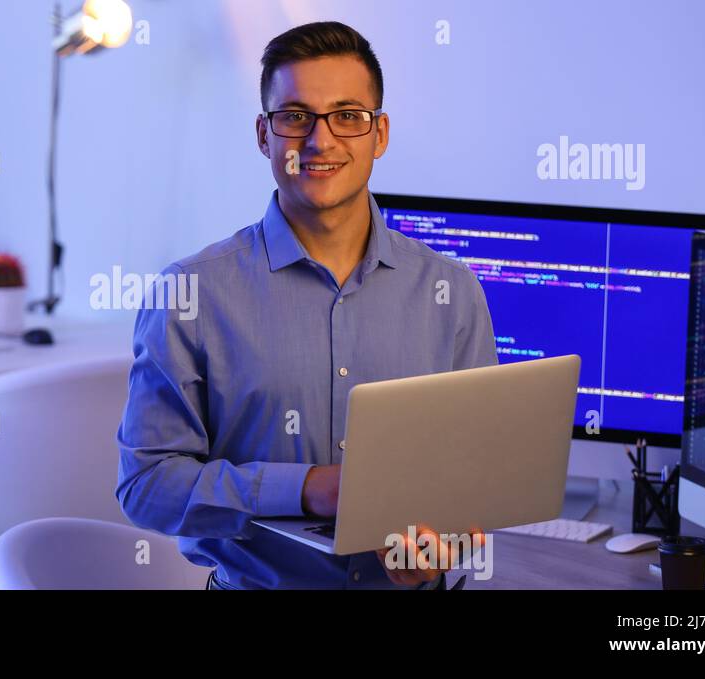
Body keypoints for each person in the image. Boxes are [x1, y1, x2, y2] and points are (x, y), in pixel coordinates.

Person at [116, 21, 497, 589]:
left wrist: (444, 549)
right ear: (264, 135)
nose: (321, 141)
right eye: (295, 116)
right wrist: (307, 487)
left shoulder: (452, 291)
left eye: (348, 115)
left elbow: (480, 475)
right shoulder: (189, 295)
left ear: (380, 134)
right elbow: (146, 485)